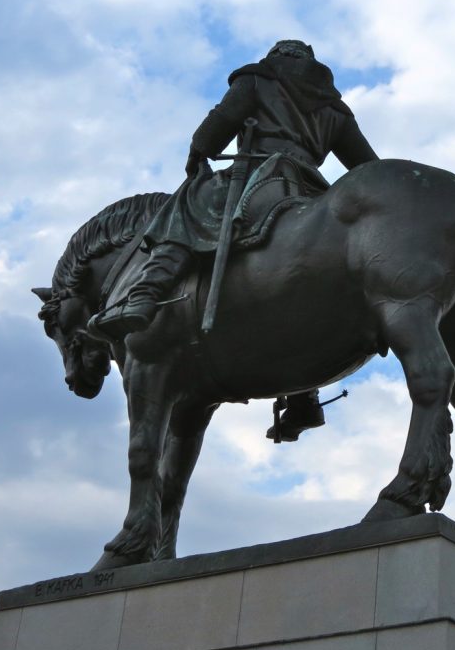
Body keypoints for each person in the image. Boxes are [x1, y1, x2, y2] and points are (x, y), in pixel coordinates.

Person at [88, 40, 379, 438]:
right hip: (311, 191)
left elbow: (221, 119)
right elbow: (367, 166)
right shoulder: (333, 105)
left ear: (277, 55)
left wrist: (200, 151)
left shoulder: (259, 78)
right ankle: (302, 398)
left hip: (260, 179)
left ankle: (145, 294)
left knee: (185, 204)